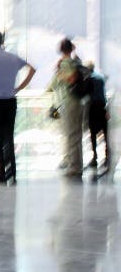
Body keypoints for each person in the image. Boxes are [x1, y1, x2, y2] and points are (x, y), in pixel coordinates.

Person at [0, 31, 36, 184]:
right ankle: (12, 172)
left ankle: (1, 172)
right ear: (2, 41)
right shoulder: (12, 57)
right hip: (10, 100)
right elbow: (32, 69)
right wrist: (19, 87)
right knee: (9, 136)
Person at [47, 38, 84, 178]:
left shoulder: (66, 63)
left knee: (71, 135)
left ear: (61, 49)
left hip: (69, 102)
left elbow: (71, 78)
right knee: (74, 134)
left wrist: (60, 73)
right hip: (75, 102)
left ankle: (75, 167)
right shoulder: (74, 61)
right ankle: (75, 164)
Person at [85, 61, 110, 170]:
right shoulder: (101, 77)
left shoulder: (88, 79)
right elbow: (104, 94)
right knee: (105, 134)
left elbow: (86, 94)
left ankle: (95, 158)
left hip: (93, 107)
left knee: (93, 134)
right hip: (102, 107)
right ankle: (107, 158)